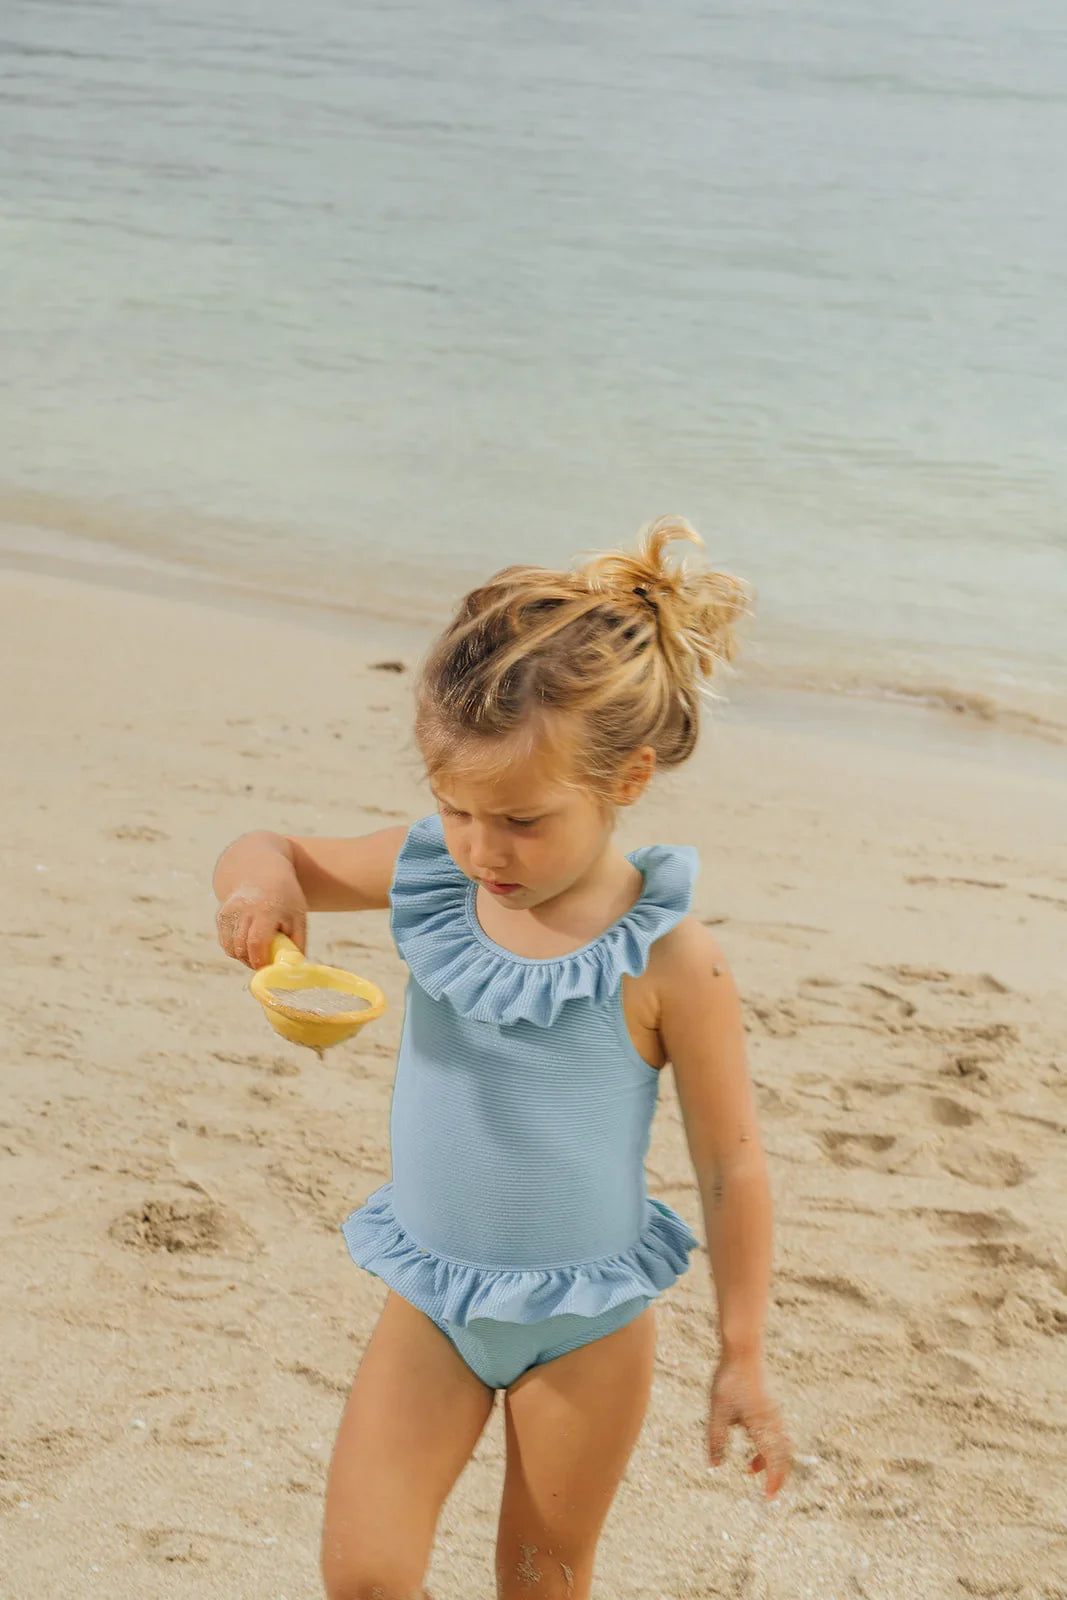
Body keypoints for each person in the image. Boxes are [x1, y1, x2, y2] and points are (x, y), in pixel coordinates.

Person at [213, 516, 791, 1600]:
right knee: (365, 1575)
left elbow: (731, 1168)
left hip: (585, 1329)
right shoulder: (438, 875)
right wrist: (260, 894)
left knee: (539, 1578)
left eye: (520, 818)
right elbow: (272, 849)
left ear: (628, 778)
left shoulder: (671, 960)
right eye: (454, 807)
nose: (482, 847)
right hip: (431, 1300)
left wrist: (741, 1350)